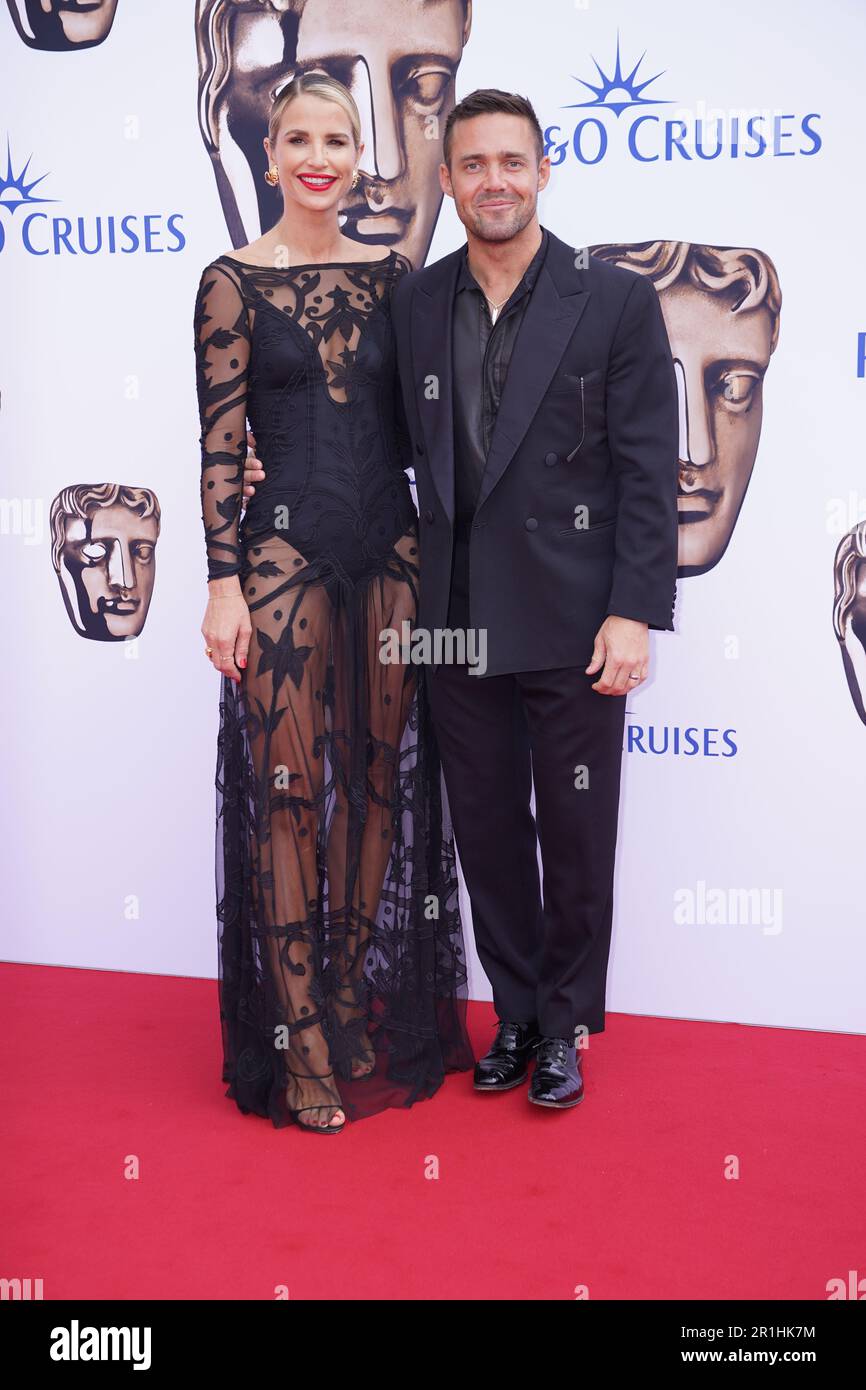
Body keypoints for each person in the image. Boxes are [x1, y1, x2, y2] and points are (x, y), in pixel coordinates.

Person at [244, 87, 679, 1114]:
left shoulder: (611, 300)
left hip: (576, 620)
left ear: (540, 171)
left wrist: (632, 610)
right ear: (447, 180)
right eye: (472, 164)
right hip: (450, 617)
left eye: (510, 163)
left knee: (574, 837)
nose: (492, 181)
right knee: (484, 834)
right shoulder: (418, 300)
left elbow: (646, 473)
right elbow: (376, 439)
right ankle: (517, 1013)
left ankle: (566, 1025)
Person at [194, 73, 472, 1136]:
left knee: (377, 786)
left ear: (359, 157)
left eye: (337, 139)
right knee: (288, 797)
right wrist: (223, 584)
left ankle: (353, 998)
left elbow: (425, 430)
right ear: (269, 159)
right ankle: (298, 1037)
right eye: (298, 139)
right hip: (281, 560)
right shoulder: (228, 283)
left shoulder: (396, 279)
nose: (319, 155)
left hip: (392, 558)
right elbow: (221, 445)